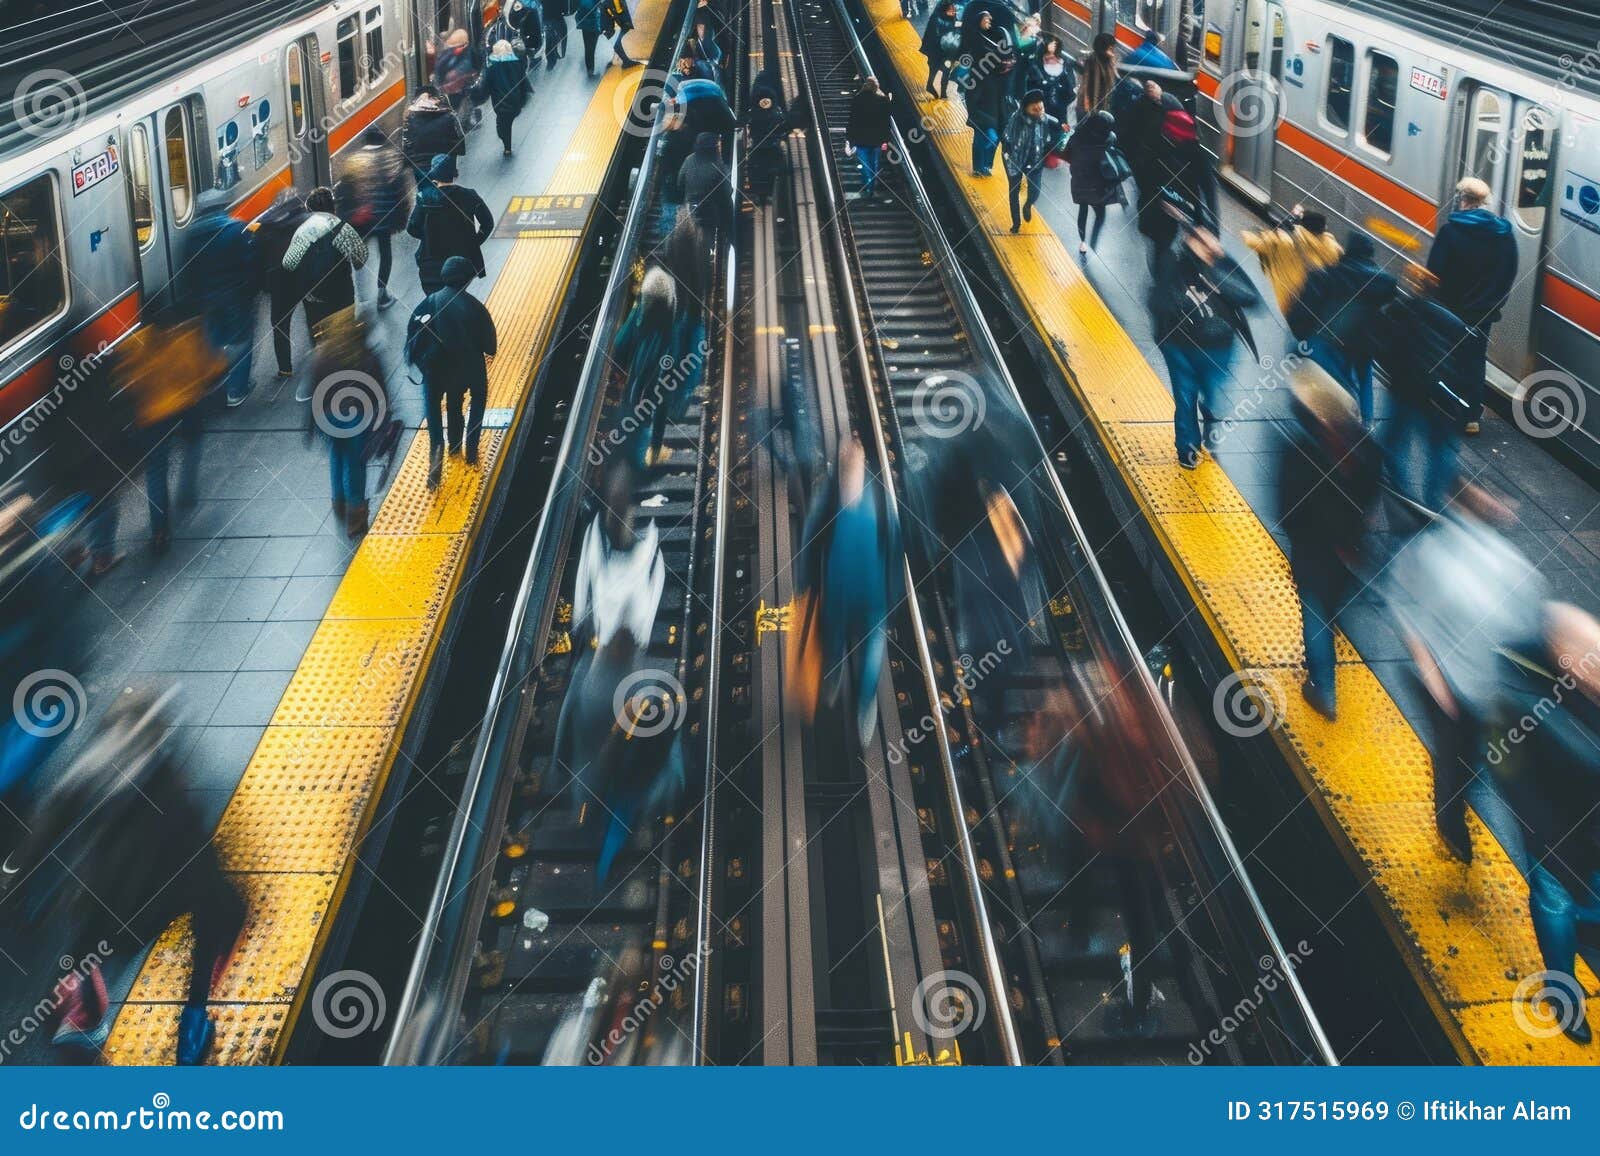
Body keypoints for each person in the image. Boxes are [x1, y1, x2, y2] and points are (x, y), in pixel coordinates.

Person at [14, 690, 246, 1064]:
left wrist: (20, 880)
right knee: (220, 912)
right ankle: (193, 1022)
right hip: (174, 889)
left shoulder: (88, 767)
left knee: (86, 951)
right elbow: (196, 848)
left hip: (105, 900)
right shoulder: (165, 777)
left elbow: (47, 825)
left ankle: (86, 1019)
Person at [550, 461, 672, 882]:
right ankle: (615, 822)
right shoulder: (645, 544)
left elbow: (585, 591)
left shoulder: (596, 540)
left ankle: (590, 808)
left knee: (596, 752)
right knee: (623, 752)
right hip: (621, 653)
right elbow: (651, 594)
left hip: (608, 651)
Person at [1276, 374, 1382, 720]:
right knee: (1333, 605)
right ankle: (1326, 653)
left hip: (1313, 549)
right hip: (1350, 548)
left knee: (1315, 612)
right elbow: (1371, 496)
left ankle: (1324, 690)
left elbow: (1287, 508)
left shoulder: (1300, 452)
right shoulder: (1365, 447)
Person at [791, 438, 901, 746]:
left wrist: (895, 601)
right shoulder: (827, 502)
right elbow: (811, 545)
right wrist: (807, 587)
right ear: (840, 473)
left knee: (871, 657)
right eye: (846, 473)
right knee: (832, 640)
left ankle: (865, 705)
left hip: (873, 599)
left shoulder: (880, 500)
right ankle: (833, 673)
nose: (850, 479)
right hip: (838, 595)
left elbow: (895, 552)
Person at [1148, 221, 1259, 468]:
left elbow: (1252, 299)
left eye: (1211, 239)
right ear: (1189, 240)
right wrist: (1166, 332)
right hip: (1180, 347)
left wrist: (1219, 272)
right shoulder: (1172, 264)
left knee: (1214, 394)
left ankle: (1209, 412)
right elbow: (1157, 301)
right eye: (1200, 239)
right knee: (1185, 397)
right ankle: (1187, 448)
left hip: (1219, 347)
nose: (1207, 244)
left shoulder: (1225, 267)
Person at [1375, 270, 1478, 509]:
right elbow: (1468, 368)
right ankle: (1434, 501)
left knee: (1392, 443)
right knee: (1440, 450)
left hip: (1406, 391)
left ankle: (1403, 493)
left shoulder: (1402, 309)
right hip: (1441, 398)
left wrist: (1394, 372)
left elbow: (1383, 346)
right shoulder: (1455, 323)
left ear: (1417, 289)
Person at [1426, 177, 1517, 434]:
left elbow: (1434, 271)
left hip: (1450, 309)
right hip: (1482, 313)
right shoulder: (1504, 234)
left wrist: (1436, 300)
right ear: (1484, 202)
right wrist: (1492, 302)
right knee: (1475, 360)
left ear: (1463, 199)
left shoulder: (1451, 231)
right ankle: (1470, 417)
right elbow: (1508, 273)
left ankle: (1445, 405)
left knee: (1447, 355)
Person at [406, 256, 499, 489]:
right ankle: (469, 449)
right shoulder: (476, 307)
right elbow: (491, 347)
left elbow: (411, 341)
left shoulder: (426, 304)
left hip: (433, 371)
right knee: (474, 398)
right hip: (467, 369)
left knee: (435, 414)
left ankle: (436, 458)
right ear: (466, 280)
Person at [1288, 232, 1397, 427]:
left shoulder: (1336, 272)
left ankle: (1335, 414)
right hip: (1365, 340)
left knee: (1336, 374)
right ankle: (1367, 420)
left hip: (1336, 335)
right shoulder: (1383, 281)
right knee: (1365, 376)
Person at [306, 307, 387, 537]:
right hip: (357, 418)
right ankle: (356, 514)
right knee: (355, 463)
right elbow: (380, 393)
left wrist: (313, 425)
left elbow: (315, 392)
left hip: (329, 417)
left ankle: (338, 502)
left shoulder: (323, 355)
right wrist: (381, 423)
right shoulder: (367, 355)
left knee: (336, 455)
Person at [282, 186, 368, 400]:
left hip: (314, 300)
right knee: (345, 337)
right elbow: (361, 258)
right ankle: (349, 382)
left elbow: (288, 263)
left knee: (320, 342)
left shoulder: (302, 232)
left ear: (309, 209)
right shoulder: (342, 228)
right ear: (333, 207)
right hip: (342, 297)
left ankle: (320, 382)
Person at [180, 188, 258, 408]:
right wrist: (251, 291)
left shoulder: (191, 236)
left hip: (208, 299)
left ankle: (216, 386)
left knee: (215, 341)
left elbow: (188, 271)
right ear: (223, 206)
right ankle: (236, 390)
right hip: (236, 296)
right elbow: (250, 264)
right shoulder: (236, 229)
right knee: (241, 340)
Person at [612, 267, 689, 468]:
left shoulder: (639, 315)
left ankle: (625, 452)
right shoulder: (670, 330)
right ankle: (650, 452)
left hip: (635, 380)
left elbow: (620, 343)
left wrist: (619, 368)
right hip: (653, 383)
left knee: (632, 403)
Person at [337, 125, 413, 311]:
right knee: (385, 254)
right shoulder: (390, 159)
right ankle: (381, 293)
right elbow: (401, 193)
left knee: (358, 256)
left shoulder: (353, 161)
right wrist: (402, 218)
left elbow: (343, 193)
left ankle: (360, 298)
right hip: (384, 219)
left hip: (359, 220)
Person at [406, 153, 495, 294]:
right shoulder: (470, 195)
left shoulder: (424, 197)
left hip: (431, 263)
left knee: (435, 300)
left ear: (433, 176)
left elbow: (412, 228)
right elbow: (488, 223)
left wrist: (428, 237)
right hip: (462, 259)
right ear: (454, 174)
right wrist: (474, 242)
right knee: (458, 295)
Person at [1139, 107, 1217, 262]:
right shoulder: (1196, 153)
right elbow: (1209, 190)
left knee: (1162, 243)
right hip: (1170, 205)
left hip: (1176, 204)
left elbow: (1145, 173)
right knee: (1163, 242)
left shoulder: (1160, 143)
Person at [249, 189, 310, 379]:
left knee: (280, 326)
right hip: (305, 278)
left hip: (279, 284)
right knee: (312, 315)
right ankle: (318, 349)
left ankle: (285, 368)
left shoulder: (264, 228)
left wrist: (263, 285)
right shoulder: (306, 222)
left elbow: (257, 261)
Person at [1242, 206, 1342, 320]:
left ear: (1303, 225)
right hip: (1305, 303)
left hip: (1281, 299)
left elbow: (1252, 241)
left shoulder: (1286, 240)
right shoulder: (1331, 247)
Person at [1063, 108, 1126, 254]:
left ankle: (1082, 241)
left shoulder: (1079, 136)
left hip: (1080, 182)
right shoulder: (1109, 139)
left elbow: (1069, 152)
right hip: (1099, 185)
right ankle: (1094, 241)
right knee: (1100, 214)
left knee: (1083, 210)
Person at [961, 10, 1014, 176]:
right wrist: (973, 108)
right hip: (982, 104)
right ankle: (979, 167)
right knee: (986, 137)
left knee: (993, 138)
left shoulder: (992, 41)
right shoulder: (978, 41)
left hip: (996, 105)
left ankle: (986, 165)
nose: (989, 20)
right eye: (986, 18)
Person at [1002, 90, 1062, 233]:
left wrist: (1061, 128)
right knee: (1014, 191)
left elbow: (1056, 124)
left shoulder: (1044, 118)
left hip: (1035, 160)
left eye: (1041, 108)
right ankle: (1016, 223)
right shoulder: (1015, 121)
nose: (1039, 112)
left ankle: (1028, 204)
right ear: (1025, 109)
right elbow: (1007, 140)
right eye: (1035, 109)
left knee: (1035, 191)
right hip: (1015, 160)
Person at [401, 85, 467, 179]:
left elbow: (406, 145)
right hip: (443, 165)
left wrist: (408, 164)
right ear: (436, 98)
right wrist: (453, 168)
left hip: (421, 167)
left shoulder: (409, 118)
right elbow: (458, 140)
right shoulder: (449, 115)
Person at [845, 77, 894, 200]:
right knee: (874, 163)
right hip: (876, 140)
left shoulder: (857, 99)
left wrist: (849, 139)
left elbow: (852, 121)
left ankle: (868, 184)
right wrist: (885, 140)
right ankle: (872, 184)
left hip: (860, 139)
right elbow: (886, 123)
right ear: (876, 87)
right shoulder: (883, 100)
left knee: (864, 163)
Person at [483, 38, 533, 156]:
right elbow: (523, 81)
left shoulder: (491, 67)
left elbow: (486, 85)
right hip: (515, 102)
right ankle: (507, 146)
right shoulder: (517, 63)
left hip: (500, 103)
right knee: (507, 123)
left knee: (503, 125)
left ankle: (507, 146)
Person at [745, 69, 788, 204]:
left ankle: (759, 194)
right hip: (772, 146)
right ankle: (769, 193)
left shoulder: (754, 110)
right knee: (771, 169)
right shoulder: (775, 111)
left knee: (757, 170)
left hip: (757, 145)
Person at [678, 131, 731, 239]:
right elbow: (728, 192)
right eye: (718, 145)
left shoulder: (689, 160)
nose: (720, 148)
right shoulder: (718, 164)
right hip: (709, 214)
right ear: (713, 148)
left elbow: (680, 183)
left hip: (689, 209)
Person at [575, 0, 640, 77]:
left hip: (586, 23)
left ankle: (590, 72)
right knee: (614, 39)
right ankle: (625, 61)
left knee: (589, 48)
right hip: (598, 21)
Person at [1022, 34, 1075, 124]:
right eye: (1051, 42)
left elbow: (1070, 85)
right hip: (1041, 107)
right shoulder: (1036, 63)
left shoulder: (1065, 62)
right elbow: (1030, 86)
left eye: (1056, 42)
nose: (1054, 44)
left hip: (1060, 108)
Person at [433, 28, 480, 124]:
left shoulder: (462, 53)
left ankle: (463, 120)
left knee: (463, 101)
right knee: (460, 103)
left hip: (457, 85)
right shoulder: (452, 53)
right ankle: (460, 121)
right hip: (454, 86)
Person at [920, 0, 961, 100]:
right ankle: (933, 87)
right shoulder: (937, 16)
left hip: (946, 49)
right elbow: (939, 28)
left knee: (946, 70)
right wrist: (954, 25)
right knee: (936, 68)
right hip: (938, 49)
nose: (954, 12)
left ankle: (942, 91)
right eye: (951, 11)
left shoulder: (949, 9)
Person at [1077, 31, 1119, 121]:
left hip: (1101, 103)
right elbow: (1085, 85)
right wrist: (1087, 107)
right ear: (1103, 48)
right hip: (1091, 106)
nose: (1113, 51)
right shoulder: (1093, 61)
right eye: (1111, 48)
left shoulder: (1109, 61)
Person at [541, 0, 569, 65]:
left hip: (545, 19)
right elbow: (565, 10)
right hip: (557, 18)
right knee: (563, 36)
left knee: (548, 41)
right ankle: (560, 55)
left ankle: (550, 61)